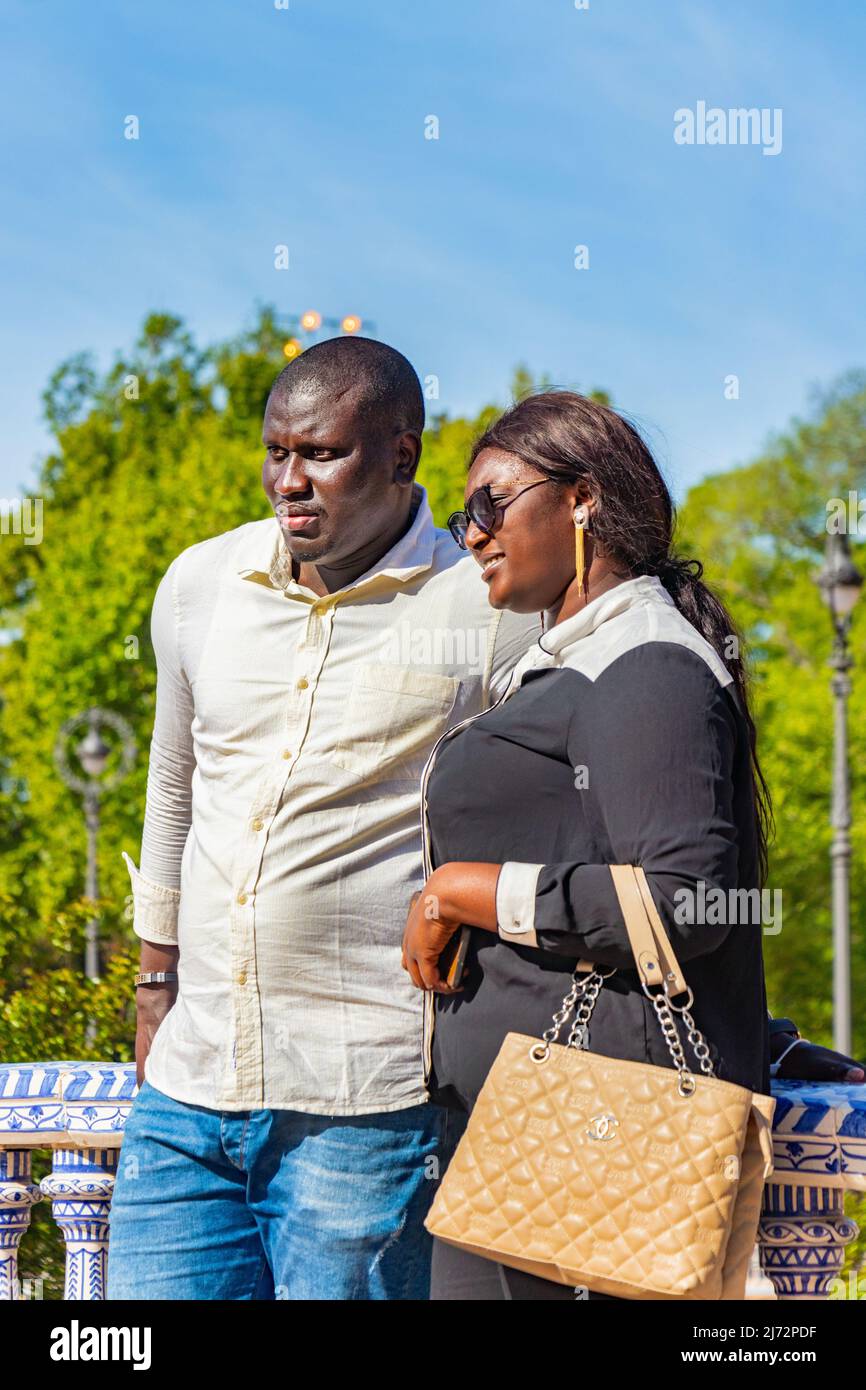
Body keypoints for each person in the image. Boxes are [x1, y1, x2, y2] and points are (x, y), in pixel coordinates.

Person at [401, 389, 866, 1302]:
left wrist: (458, 891)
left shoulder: (644, 664)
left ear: (582, 500)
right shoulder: (586, 660)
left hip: (592, 1141)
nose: (473, 534)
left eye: (492, 505)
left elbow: (686, 899)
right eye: (464, 517)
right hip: (542, 1133)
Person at [106, 337, 537, 1300]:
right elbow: (172, 784)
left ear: (400, 455)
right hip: (187, 1094)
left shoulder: (485, 601)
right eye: (275, 452)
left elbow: (545, 797)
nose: (288, 482)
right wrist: (152, 978)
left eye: (321, 455)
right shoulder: (200, 586)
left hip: (366, 1100)